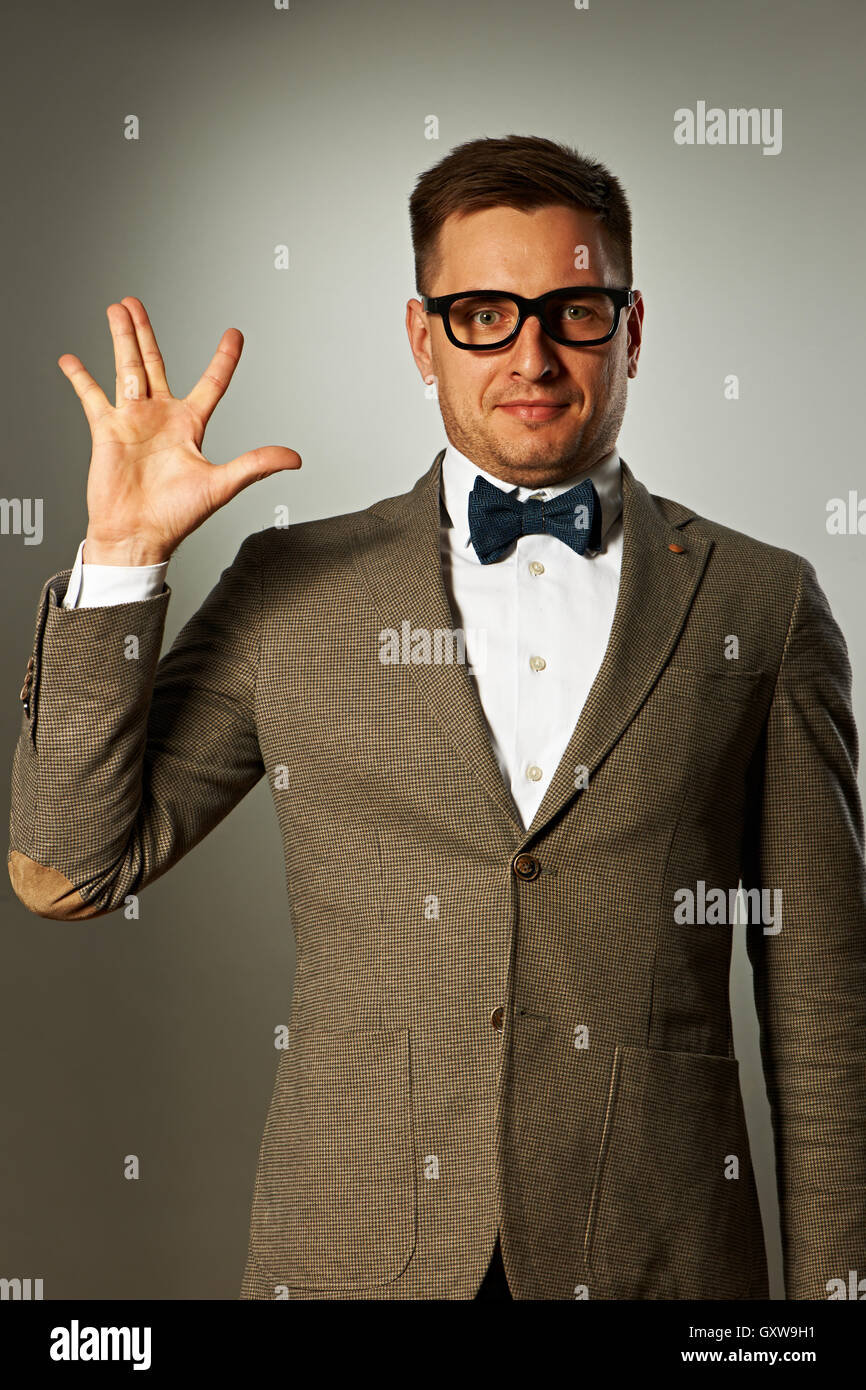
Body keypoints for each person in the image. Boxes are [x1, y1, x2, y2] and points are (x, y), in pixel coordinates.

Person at [8, 134, 865, 1301]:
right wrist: (122, 557)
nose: (531, 352)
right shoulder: (288, 587)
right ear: (423, 336)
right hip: (350, 1259)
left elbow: (823, 1019)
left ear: (630, 326)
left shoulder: (760, 605)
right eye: (481, 313)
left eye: (571, 309)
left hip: (659, 1271)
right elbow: (67, 871)